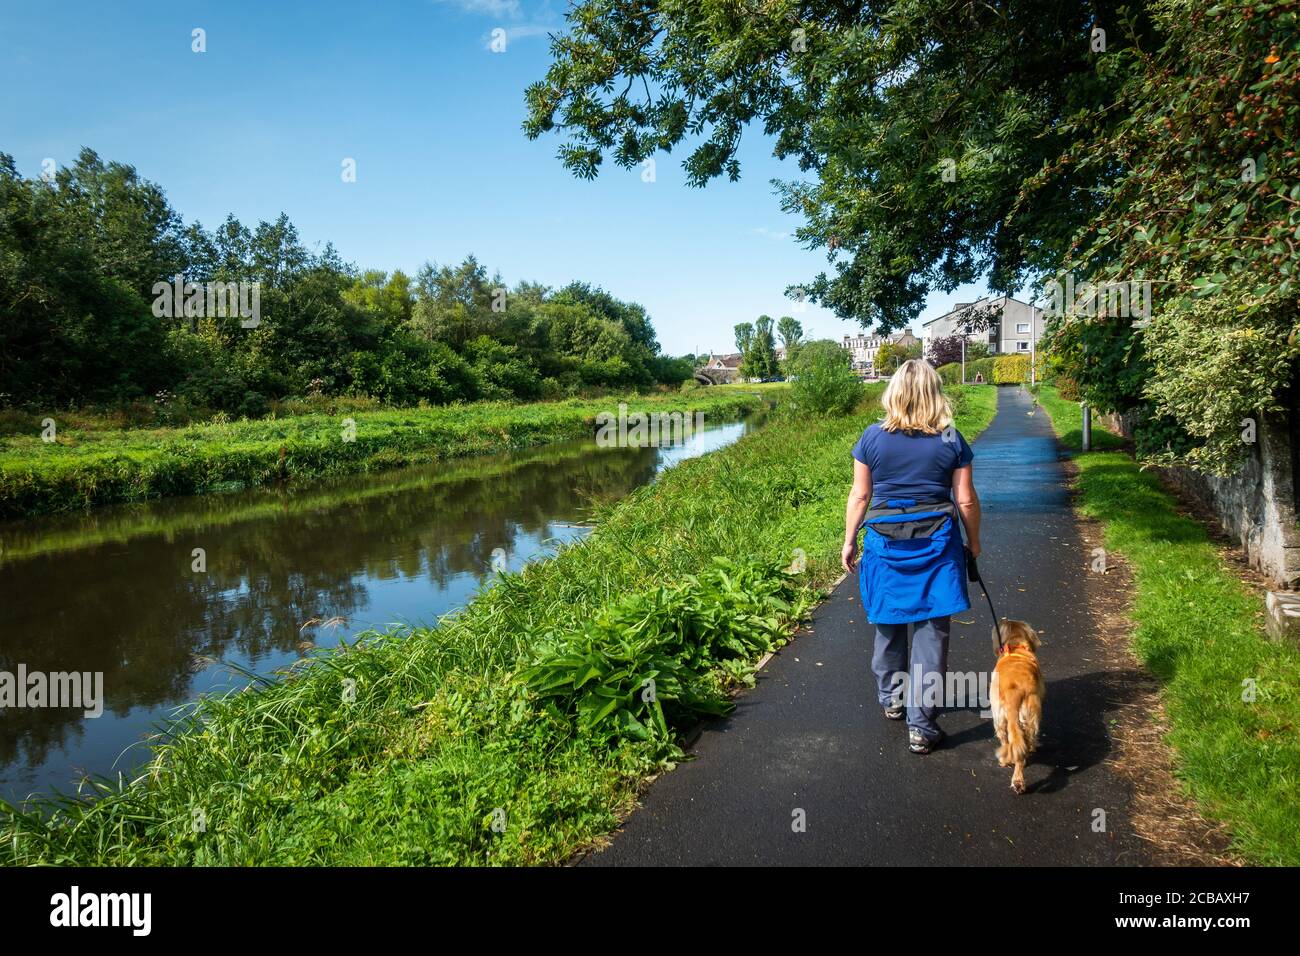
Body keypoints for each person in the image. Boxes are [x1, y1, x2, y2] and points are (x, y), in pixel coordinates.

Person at [840, 359, 982, 754]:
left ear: (894, 393)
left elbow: (861, 495)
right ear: (935, 393)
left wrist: (850, 539)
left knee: (888, 623)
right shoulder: (952, 439)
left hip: (886, 546)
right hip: (937, 545)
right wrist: (974, 542)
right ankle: (921, 727)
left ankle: (892, 700)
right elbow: (965, 499)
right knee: (931, 634)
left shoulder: (872, 438)